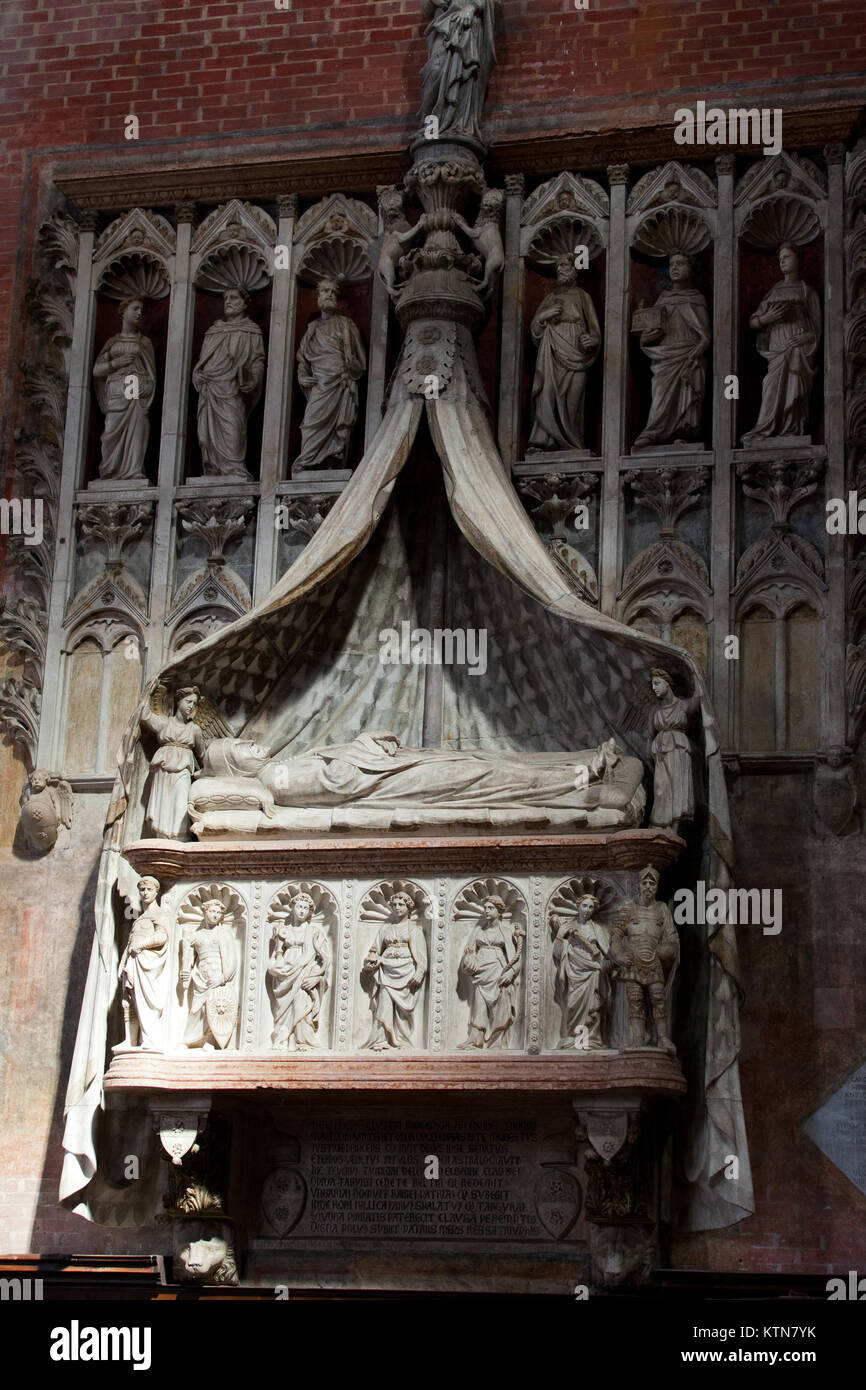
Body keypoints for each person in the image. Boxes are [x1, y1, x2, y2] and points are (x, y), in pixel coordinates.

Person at [742, 242, 821, 443]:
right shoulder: (774, 291)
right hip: (777, 348)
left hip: (799, 350)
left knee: (796, 388)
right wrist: (766, 319)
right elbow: (753, 321)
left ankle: (793, 430)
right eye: (780, 259)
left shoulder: (806, 291)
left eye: (787, 257)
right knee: (769, 386)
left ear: (799, 260)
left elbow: (819, 328)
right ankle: (766, 428)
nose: (782, 262)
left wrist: (808, 337)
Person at [633, 253, 711, 449]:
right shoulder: (663, 298)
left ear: (691, 268)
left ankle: (683, 431)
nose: (675, 268)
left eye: (680, 263)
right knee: (659, 393)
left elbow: (705, 336)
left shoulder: (697, 298)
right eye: (671, 264)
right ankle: (654, 431)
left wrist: (695, 353)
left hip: (688, 352)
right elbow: (650, 334)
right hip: (665, 356)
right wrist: (648, 336)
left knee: (687, 394)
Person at [527, 256, 601, 453]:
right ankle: (544, 441)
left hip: (577, 353)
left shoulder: (582, 296)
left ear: (575, 270)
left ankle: (572, 442)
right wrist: (544, 316)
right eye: (558, 266)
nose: (560, 269)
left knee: (573, 403)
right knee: (547, 394)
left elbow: (595, 330)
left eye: (565, 265)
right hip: (551, 352)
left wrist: (592, 340)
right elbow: (535, 330)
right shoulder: (549, 298)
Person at [294, 278, 366, 473]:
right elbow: (303, 360)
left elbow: (360, 366)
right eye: (325, 291)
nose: (330, 295)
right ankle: (308, 463)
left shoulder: (346, 324)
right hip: (319, 385)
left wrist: (353, 367)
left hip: (340, 383)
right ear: (317, 297)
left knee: (338, 427)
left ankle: (332, 460)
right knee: (310, 424)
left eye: (333, 292)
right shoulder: (312, 328)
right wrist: (302, 377)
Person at [192, 286, 265, 477]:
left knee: (233, 430)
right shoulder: (214, 331)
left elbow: (258, 361)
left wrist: (254, 378)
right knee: (206, 437)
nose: (228, 302)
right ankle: (213, 469)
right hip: (210, 389)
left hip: (234, 390)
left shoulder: (251, 331)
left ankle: (234, 469)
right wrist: (197, 375)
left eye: (233, 298)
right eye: (225, 298)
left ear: (244, 303)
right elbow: (202, 363)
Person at [610, 867, 679, 1054]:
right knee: (635, 1000)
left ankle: (663, 1038)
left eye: (652, 884)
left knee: (658, 998)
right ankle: (637, 1040)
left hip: (654, 959)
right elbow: (615, 936)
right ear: (639, 885)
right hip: (633, 961)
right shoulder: (628, 909)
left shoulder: (662, 909)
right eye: (645, 883)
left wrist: (664, 951)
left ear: (656, 887)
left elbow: (672, 938)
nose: (648, 887)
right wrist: (619, 954)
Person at [92, 298, 156, 480]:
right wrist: (116, 363)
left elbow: (151, 372)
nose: (139, 313)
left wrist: (149, 387)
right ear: (123, 312)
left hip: (135, 385)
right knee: (111, 430)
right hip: (118, 385)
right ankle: (111, 470)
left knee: (137, 425)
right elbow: (97, 370)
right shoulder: (113, 342)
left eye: (141, 310)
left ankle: (133, 469)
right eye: (135, 309)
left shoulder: (144, 342)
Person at [419, 0, 496, 144]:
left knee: (465, 75)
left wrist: (472, 8)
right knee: (435, 70)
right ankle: (430, 129)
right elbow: (424, 11)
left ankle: (460, 126)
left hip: (468, 22)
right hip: (444, 23)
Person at [362, 891, 427, 1050]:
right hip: (386, 969)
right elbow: (374, 949)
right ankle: (381, 1040)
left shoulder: (414, 928)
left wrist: (420, 971)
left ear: (408, 907)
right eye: (394, 905)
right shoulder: (385, 929)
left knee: (403, 1008)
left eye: (401, 904)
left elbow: (421, 954)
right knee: (384, 1003)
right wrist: (371, 962)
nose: (397, 907)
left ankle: (403, 1040)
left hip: (406, 969)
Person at [267, 892, 331, 1050]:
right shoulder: (283, 930)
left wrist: (317, 977)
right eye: (299, 907)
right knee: (284, 1009)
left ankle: (302, 1041)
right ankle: (283, 1039)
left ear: (310, 912)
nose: (302, 911)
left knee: (301, 1003)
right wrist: (276, 962)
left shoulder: (315, 933)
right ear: (292, 908)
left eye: (306, 908)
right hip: (285, 973)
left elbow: (324, 959)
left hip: (306, 973)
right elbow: (276, 956)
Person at [141, 687, 207, 840]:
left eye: (194, 704)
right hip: (163, 769)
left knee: (180, 805)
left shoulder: (194, 729)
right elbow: (145, 715)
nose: (191, 706)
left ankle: (179, 840)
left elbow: (202, 754)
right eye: (188, 701)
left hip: (183, 769)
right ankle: (162, 840)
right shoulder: (165, 723)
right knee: (162, 805)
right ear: (179, 702)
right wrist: (150, 690)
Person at [458, 896, 523, 1049]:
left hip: (499, 970)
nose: (487, 911)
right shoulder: (478, 931)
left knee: (501, 1005)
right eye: (485, 908)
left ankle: (497, 1042)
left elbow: (515, 958)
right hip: (481, 972)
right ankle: (476, 1040)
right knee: (479, 1005)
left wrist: (511, 972)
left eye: (491, 908)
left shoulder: (506, 932)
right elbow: (469, 952)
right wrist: (469, 959)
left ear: (499, 911)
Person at [116, 876, 170, 1051]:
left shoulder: (159, 913)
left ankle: (149, 1039)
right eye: (142, 890)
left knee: (144, 1001)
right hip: (132, 962)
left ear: (156, 892)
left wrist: (142, 944)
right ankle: (130, 1040)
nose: (145, 893)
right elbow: (131, 942)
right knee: (128, 1001)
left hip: (146, 964)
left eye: (149, 890)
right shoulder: (141, 917)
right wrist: (122, 963)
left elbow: (162, 936)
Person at [550, 894, 611, 1050]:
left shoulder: (598, 929)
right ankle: (574, 1037)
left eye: (591, 907)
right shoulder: (569, 927)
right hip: (574, 969)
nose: (587, 910)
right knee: (573, 1004)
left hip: (594, 970)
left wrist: (607, 963)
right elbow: (557, 954)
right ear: (578, 906)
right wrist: (559, 935)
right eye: (584, 906)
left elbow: (607, 952)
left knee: (595, 1004)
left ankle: (592, 1039)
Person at [181, 898, 239, 1050]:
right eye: (212, 911)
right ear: (205, 912)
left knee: (214, 1007)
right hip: (201, 977)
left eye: (219, 913)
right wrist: (185, 971)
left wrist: (222, 977)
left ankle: (210, 1040)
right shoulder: (196, 935)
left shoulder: (224, 933)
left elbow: (231, 958)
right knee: (196, 1009)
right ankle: (192, 1040)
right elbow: (188, 957)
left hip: (217, 975)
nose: (215, 915)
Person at [647, 669, 700, 832]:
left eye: (657, 683)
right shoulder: (654, 711)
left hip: (678, 750)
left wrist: (694, 670)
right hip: (660, 753)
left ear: (668, 684)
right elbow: (650, 737)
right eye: (652, 684)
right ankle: (660, 826)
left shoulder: (683, 705)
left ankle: (674, 829)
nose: (654, 688)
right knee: (661, 789)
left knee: (677, 789)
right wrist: (649, 757)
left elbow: (699, 697)